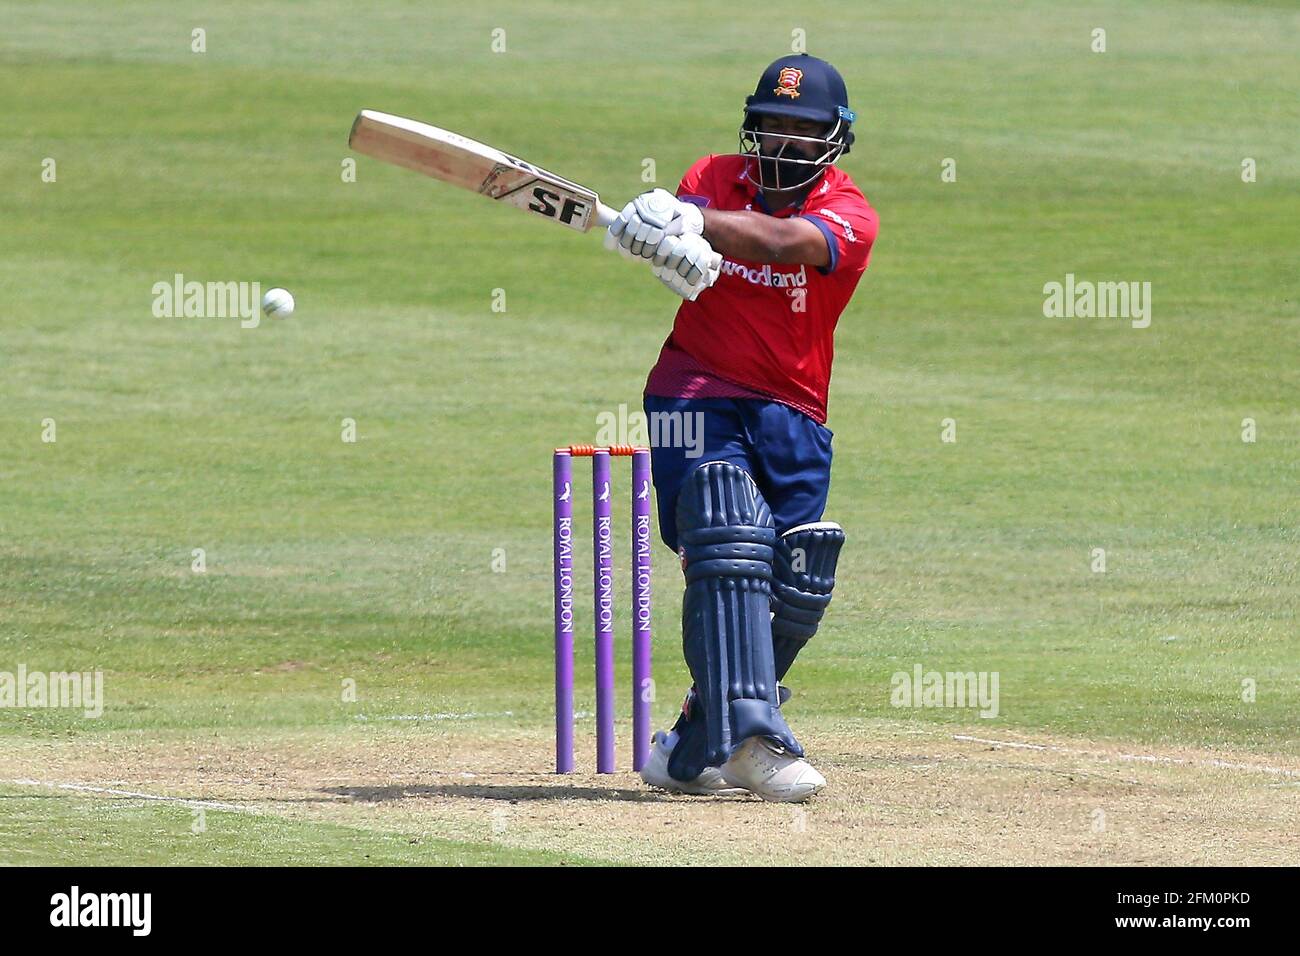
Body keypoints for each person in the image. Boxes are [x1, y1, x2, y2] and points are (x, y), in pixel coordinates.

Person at [605, 53, 878, 802]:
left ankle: (693, 744)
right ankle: (758, 740)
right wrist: (656, 233)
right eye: (772, 126)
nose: (785, 142)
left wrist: (693, 222)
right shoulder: (710, 176)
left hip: (794, 410)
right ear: (750, 129)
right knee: (727, 538)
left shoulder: (851, 215)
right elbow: (688, 269)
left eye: (803, 129)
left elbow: (781, 244)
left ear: (835, 140)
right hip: (695, 387)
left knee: (789, 586)